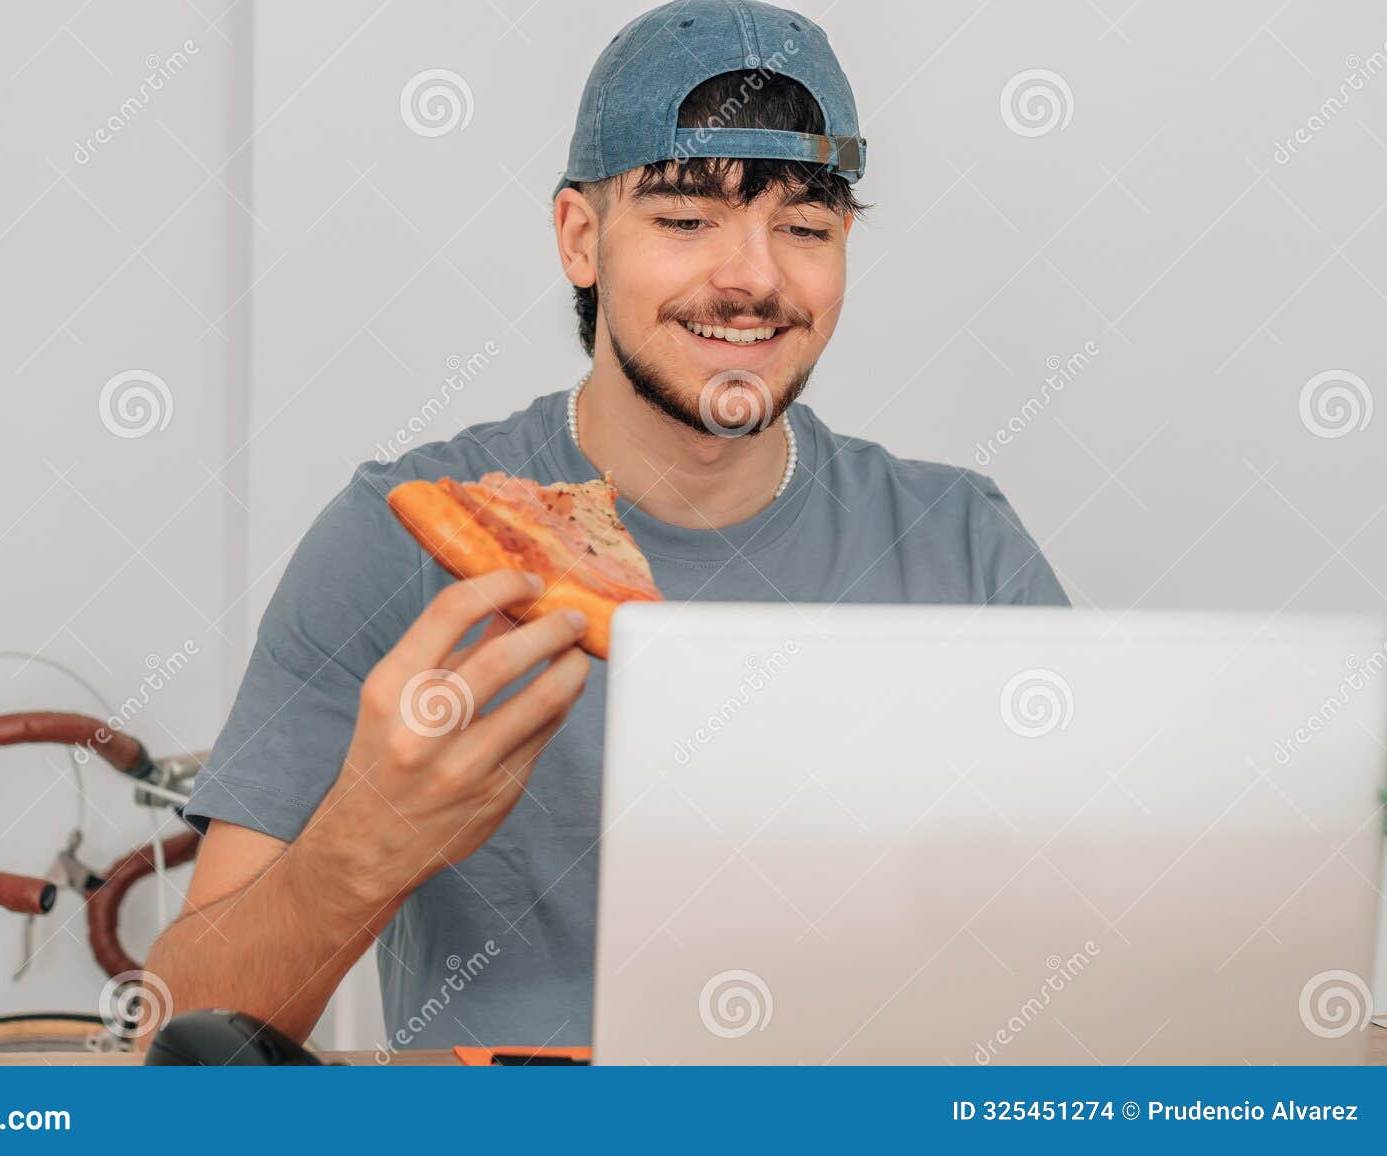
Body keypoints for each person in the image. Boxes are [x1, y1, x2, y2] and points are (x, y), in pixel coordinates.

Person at [140, 0, 1067, 1052]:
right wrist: (367, 844)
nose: (754, 275)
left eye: (804, 226)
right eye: (685, 219)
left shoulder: (961, 546)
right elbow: (168, 1043)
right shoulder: (408, 538)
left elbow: (1094, 952)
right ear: (580, 238)